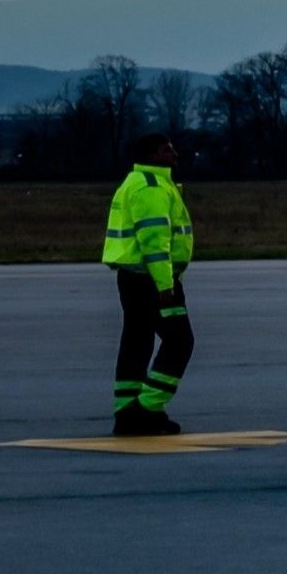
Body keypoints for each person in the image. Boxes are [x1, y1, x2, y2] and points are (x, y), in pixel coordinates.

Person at [102, 134, 198, 437]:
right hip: (151, 280)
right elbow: (154, 242)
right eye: (167, 150)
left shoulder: (136, 182)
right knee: (180, 341)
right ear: (151, 155)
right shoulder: (151, 187)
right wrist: (165, 284)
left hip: (133, 278)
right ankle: (147, 409)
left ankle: (126, 411)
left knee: (138, 341)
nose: (174, 154)